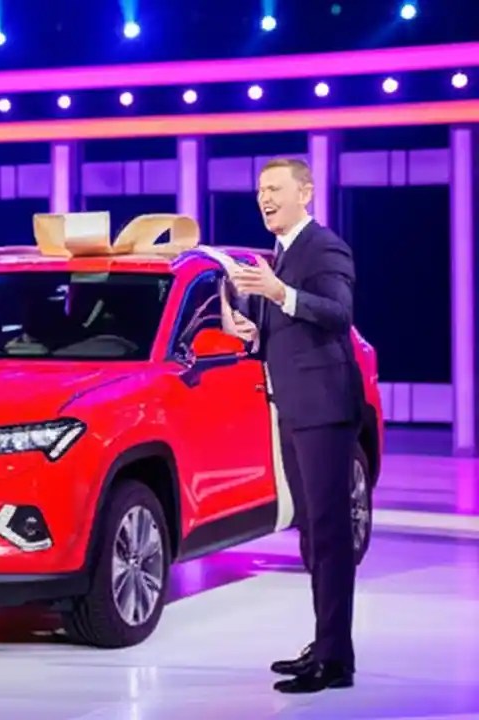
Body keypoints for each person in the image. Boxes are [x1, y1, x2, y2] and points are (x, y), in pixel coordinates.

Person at [221, 157, 362, 694]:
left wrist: (278, 293)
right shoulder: (279, 254)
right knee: (312, 534)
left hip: (325, 407)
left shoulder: (323, 246)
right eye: (260, 190)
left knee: (329, 536)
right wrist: (249, 328)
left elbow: (338, 313)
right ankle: (325, 646)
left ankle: (334, 660)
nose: (264, 198)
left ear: (306, 193)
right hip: (295, 406)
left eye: (275, 188)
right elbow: (288, 330)